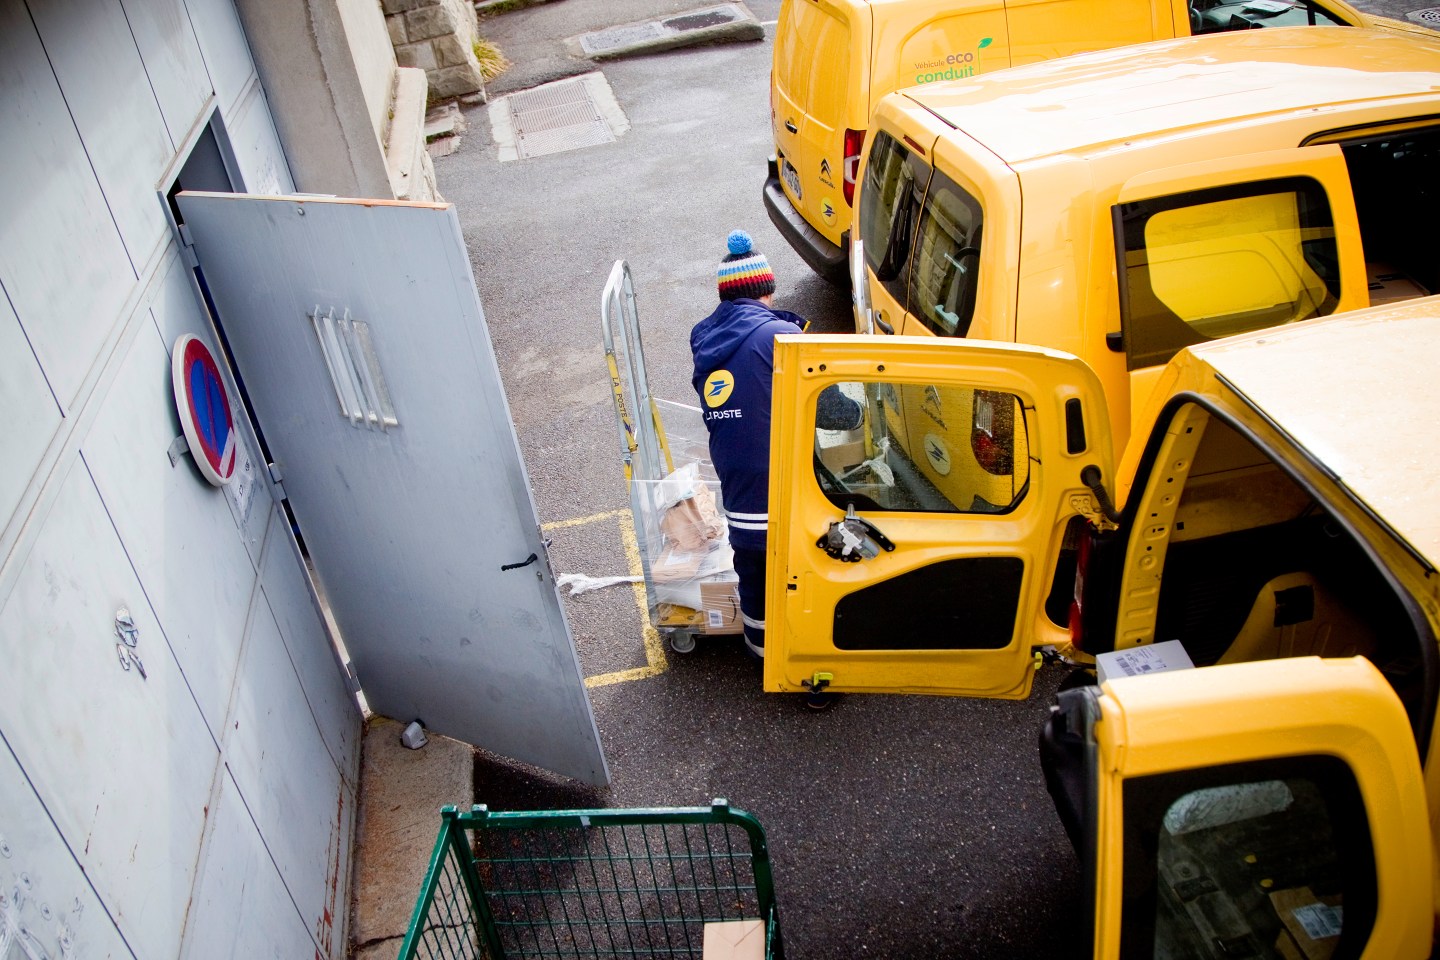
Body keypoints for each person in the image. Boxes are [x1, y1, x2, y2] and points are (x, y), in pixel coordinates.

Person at [690, 230, 860, 664]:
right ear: (767, 290)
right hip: (781, 492)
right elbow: (835, 412)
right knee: (803, 575)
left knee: (754, 575)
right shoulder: (781, 340)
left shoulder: (705, 340)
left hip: (739, 487)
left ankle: (761, 654)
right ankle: (803, 671)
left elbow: (751, 370)